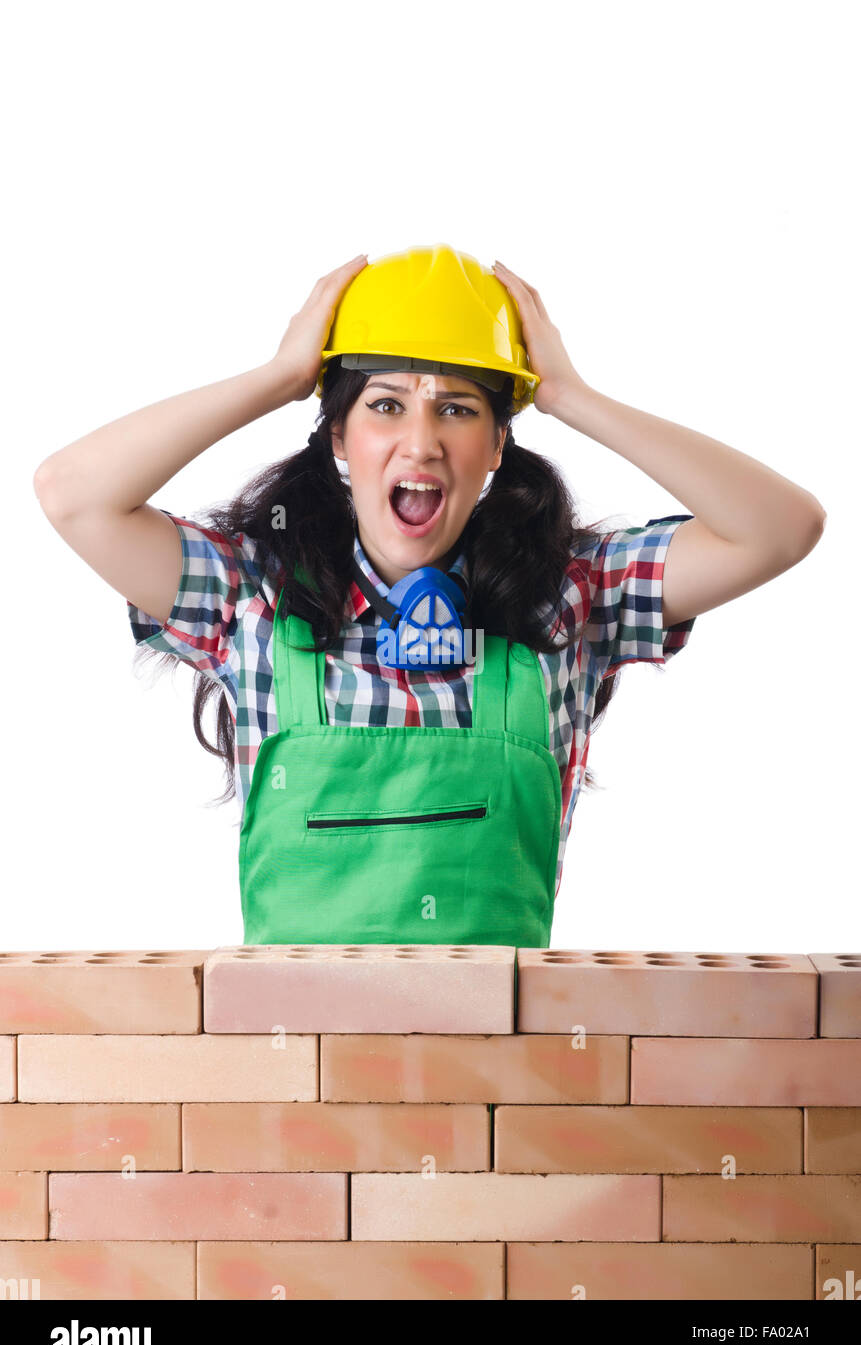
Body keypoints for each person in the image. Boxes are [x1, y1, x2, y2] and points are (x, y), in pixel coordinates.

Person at [34, 245, 826, 947]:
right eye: (385, 405)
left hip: (502, 1069)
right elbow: (73, 494)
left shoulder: (571, 600)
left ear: (496, 445)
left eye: (458, 408)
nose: (420, 442)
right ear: (339, 438)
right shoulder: (250, 597)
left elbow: (780, 529)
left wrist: (570, 397)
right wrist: (277, 378)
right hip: (291, 1069)